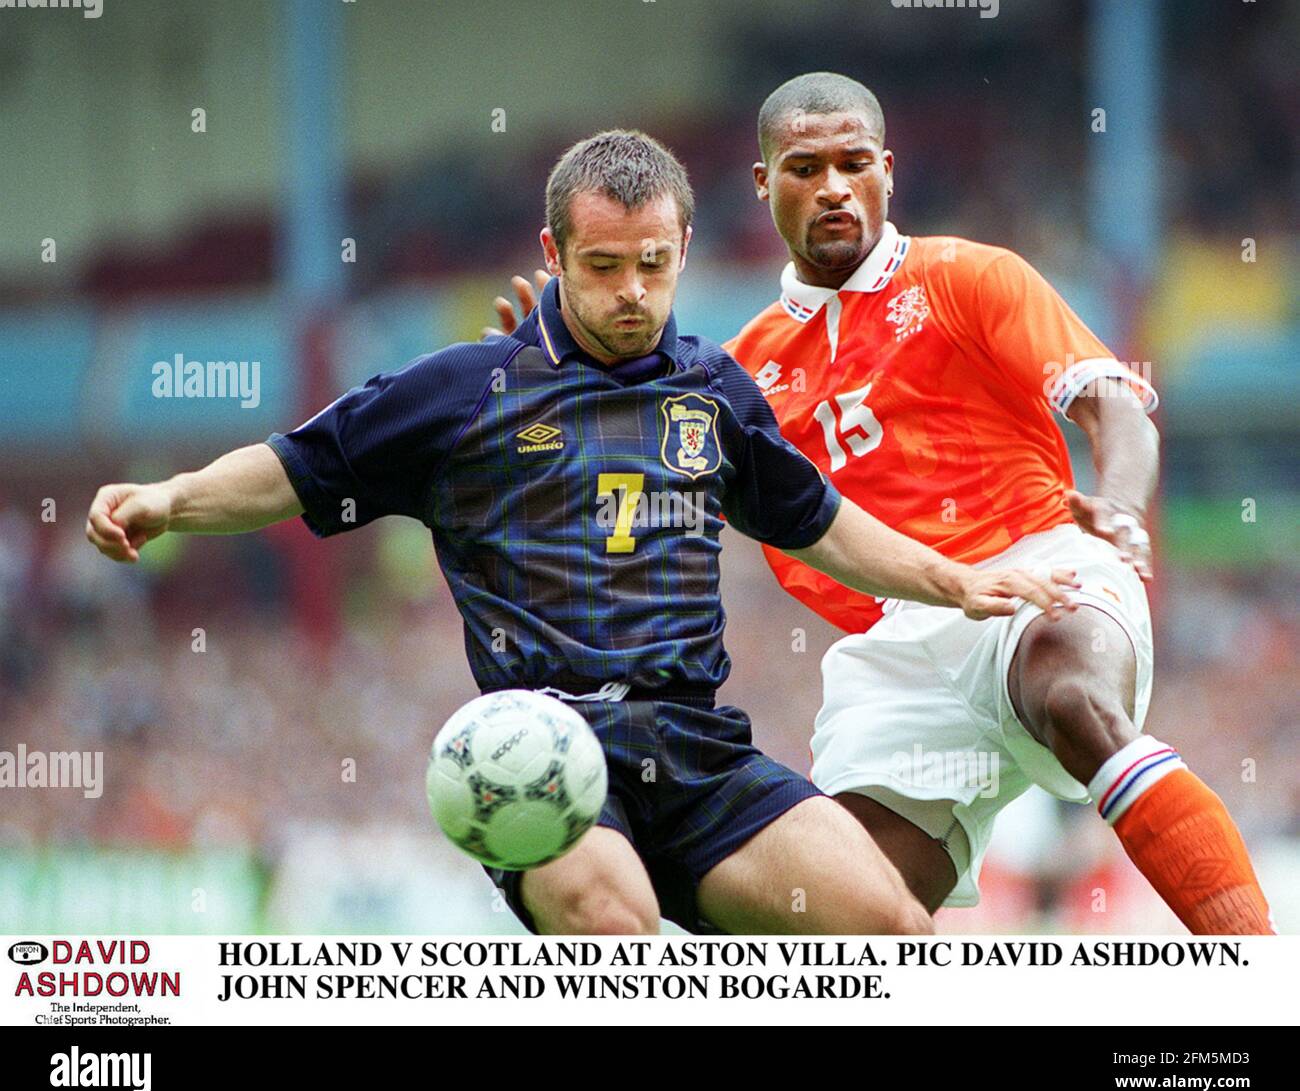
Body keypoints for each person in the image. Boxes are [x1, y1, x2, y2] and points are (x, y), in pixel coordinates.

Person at [88, 130, 1075, 936]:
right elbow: (297, 466)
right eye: (603, 267)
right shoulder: (463, 392)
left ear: (685, 248)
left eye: (653, 264)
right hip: (543, 752)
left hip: (699, 756)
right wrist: (168, 499)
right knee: (614, 929)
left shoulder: (716, 395)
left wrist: (951, 581)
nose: (633, 291)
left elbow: (817, 523)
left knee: (891, 934)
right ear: (554, 255)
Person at [489, 86, 1275, 936]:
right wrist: (560, 386)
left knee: (1071, 691)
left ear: (886, 172)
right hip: (901, 646)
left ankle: (1260, 972)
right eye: (806, 167)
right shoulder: (737, 372)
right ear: (763, 183)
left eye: (854, 163)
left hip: (1040, 566)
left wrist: (1119, 503)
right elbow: (627, 492)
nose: (834, 186)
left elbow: (1116, 404)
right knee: (841, 923)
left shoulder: (967, 276)